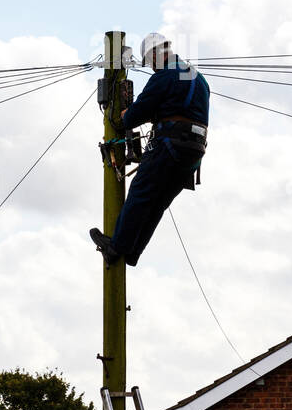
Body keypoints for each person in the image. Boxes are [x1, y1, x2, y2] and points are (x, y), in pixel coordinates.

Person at [89, 33, 209, 267]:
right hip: (193, 153)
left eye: (150, 62)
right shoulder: (199, 79)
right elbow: (183, 108)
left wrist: (125, 115)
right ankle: (132, 253)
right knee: (157, 203)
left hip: (169, 146)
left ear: (155, 54)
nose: (152, 68)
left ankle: (116, 248)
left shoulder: (165, 76)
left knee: (141, 193)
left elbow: (132, 117)